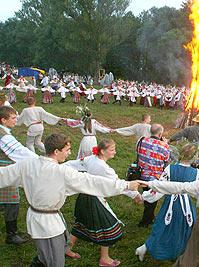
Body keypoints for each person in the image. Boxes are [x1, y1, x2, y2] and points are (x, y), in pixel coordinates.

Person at [0, 133, 140, 267]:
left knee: (55, 249)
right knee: (55, 261)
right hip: (47, 225)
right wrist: (126, 185)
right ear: (56, 151)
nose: (69, 153)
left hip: (41, 219)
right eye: (67, 150)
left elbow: (3, 174)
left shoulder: (28, 164)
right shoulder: (61, 172)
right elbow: (92, 182)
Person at [64, 139, 140, 266]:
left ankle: (66, 249)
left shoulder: (90, 159)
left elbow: (72, 164)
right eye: (112, 149)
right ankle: (104, 259)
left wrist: (55, 166)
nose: (115, 152)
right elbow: (118, 184)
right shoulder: (104, 168)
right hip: (94, 199)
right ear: (102, 151)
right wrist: (135, 195)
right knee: (108, 226)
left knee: (81, 223)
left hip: (83, 196)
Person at [135, 143, 199, 261]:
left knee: (162, 227)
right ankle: (171, 251)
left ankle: (150, 248)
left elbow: (160, 187)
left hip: (171, 202)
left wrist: (145, 196)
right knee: (183, 228)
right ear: (194, 157)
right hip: (185, 205)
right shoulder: (197, 173)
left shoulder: (170, 168)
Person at [0, 106, 38, 245]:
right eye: (13, 118)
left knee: (10, 202)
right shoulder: (3, 135)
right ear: (3, 120)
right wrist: (41, 161)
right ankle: (11, 235)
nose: (16, 120)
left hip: (6, 170)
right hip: (4, 172)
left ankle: (12, 232)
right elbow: (19, 151)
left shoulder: (4, 131)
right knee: (12, 201)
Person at [137, 124, 170, 227]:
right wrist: (164, 144)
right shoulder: (164, 146)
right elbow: (167, 160)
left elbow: (137, 152)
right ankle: (145, 221)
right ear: (160, 133)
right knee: (151, 200)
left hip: (141, 174)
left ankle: (150, 217)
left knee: (147, 195)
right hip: (155, 177)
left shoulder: (142, 140)